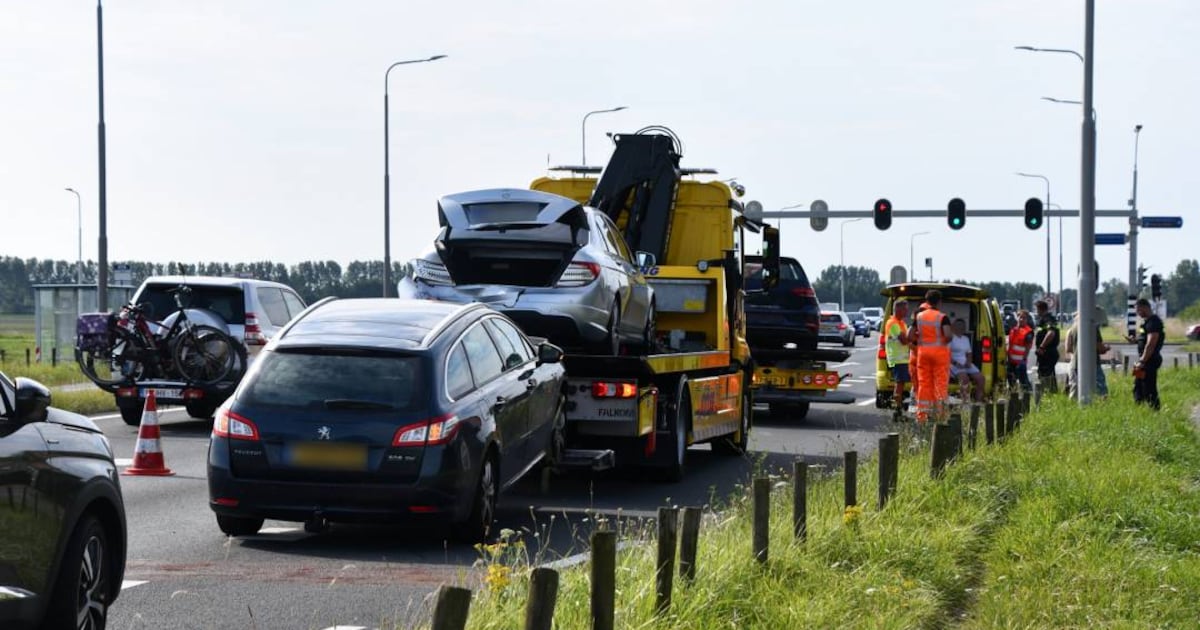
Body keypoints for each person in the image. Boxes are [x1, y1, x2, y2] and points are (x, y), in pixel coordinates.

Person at [913, 290, 953, 423]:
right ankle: (940, 416)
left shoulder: (919, 316)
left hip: (923, 354)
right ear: (939, 302)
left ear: (927, 301)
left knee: (924, 383)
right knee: (940, 383)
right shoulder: (942, 317)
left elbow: (909, 335)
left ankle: (922, 416)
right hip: (939, 355)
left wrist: (919, 340)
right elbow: (948, 336)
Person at [1066, 307, 1109, 399]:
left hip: (1076, 363)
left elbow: (1068, 348)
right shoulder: (1092, 326)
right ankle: (1102, 409)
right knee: (1101, 391)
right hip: (1092, 363)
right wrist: (1106, 348)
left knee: (1077, 390)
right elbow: (1099, 347)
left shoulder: (1073, 327)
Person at [1128, 298, 1163, 409]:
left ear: (1145, 307)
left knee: (1148, 387)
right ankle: (1139, 409)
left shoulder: (1153, 322)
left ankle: (1154, 410)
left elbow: (1151, 344)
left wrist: (1142, 361)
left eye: (1138, 310)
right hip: (1142, 361)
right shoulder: (1146, 323)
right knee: (1137, 386)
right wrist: (1136, 340)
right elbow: (1144, 338)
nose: (1138, 313)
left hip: (1149, 361)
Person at [883, 301, 911, 415]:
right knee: (899, 384)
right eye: (905, 309)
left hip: (902, 358)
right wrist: (913, 340)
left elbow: (906, 339)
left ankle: (898, 407)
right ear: (898, 310)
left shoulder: (901, 323)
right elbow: (904, 340)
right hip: (897, 359)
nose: (907, 311)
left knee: (901, 383)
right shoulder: (893, 323)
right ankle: (897, 409)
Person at [949, 318, 984, 402]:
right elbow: (945, 354)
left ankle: (978, 402)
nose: (961, 327)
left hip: (965, 362)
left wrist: (969, 362)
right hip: (953, 364)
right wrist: (955, 363)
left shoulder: (966, 339)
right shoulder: (950, 338)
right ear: (953, 327)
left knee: (981, 378)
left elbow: (969, 353)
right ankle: (965, 404)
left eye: (963, 326)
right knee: (965, 379)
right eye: (959, 325)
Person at [1033, 300, 1060, 394]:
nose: (1036, 311)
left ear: (1040, 309)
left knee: (1045, 375)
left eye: (1036, 309)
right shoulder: (1046, 319)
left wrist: (1041, 347)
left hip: (1047, 352)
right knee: (1049, 375)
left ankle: (1048, 395)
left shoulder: (1047, 319)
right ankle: (1051, 394)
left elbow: (1051, 333)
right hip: (1047, 353)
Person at [1006, 309, 1033, 391]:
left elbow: (1028, 347)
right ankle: (1013, 399)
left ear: (1027, 319)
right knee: (1011, 382)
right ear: (1017, 318)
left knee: (1024, 382)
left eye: (1024, 318)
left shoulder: (1028, 331)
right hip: (1011, 361)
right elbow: (1010, 344)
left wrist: (1023, 359)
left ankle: (1028, 396)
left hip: (1020, 362)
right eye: (1020, 317)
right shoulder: (1013, 330)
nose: (1021, 319)